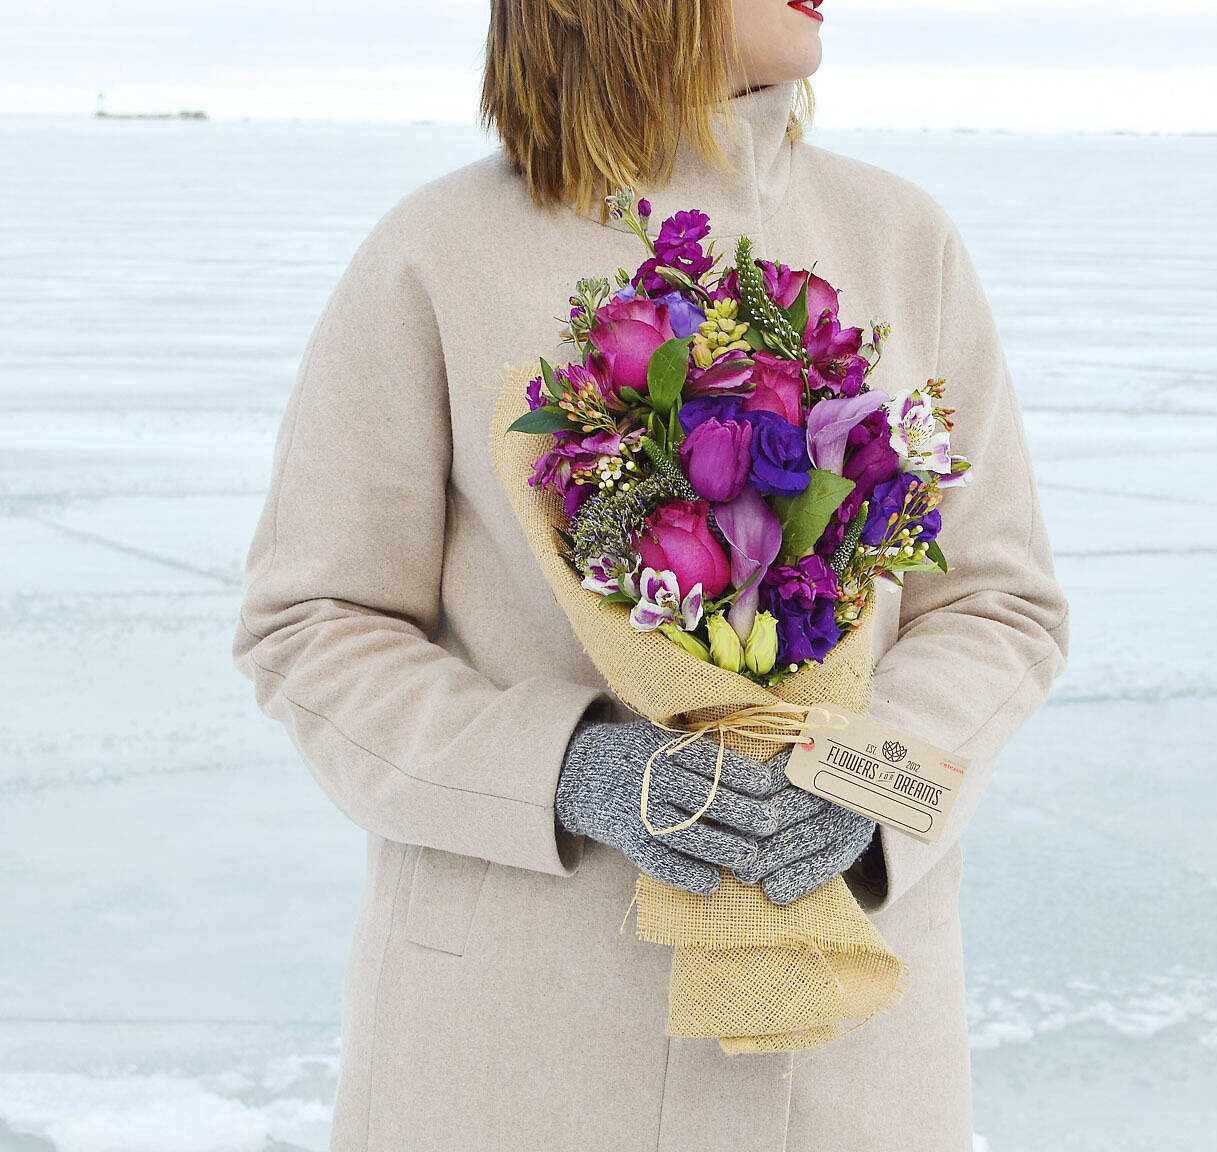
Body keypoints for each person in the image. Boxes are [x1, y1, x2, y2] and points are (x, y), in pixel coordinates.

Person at [231, 0, 1070, 1148]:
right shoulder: (435, 254)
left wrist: (866, 790)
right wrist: (569, 769)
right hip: (516, 1047)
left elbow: (997, 603)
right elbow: (311, 623)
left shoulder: (899, 236)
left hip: (852, 1064)